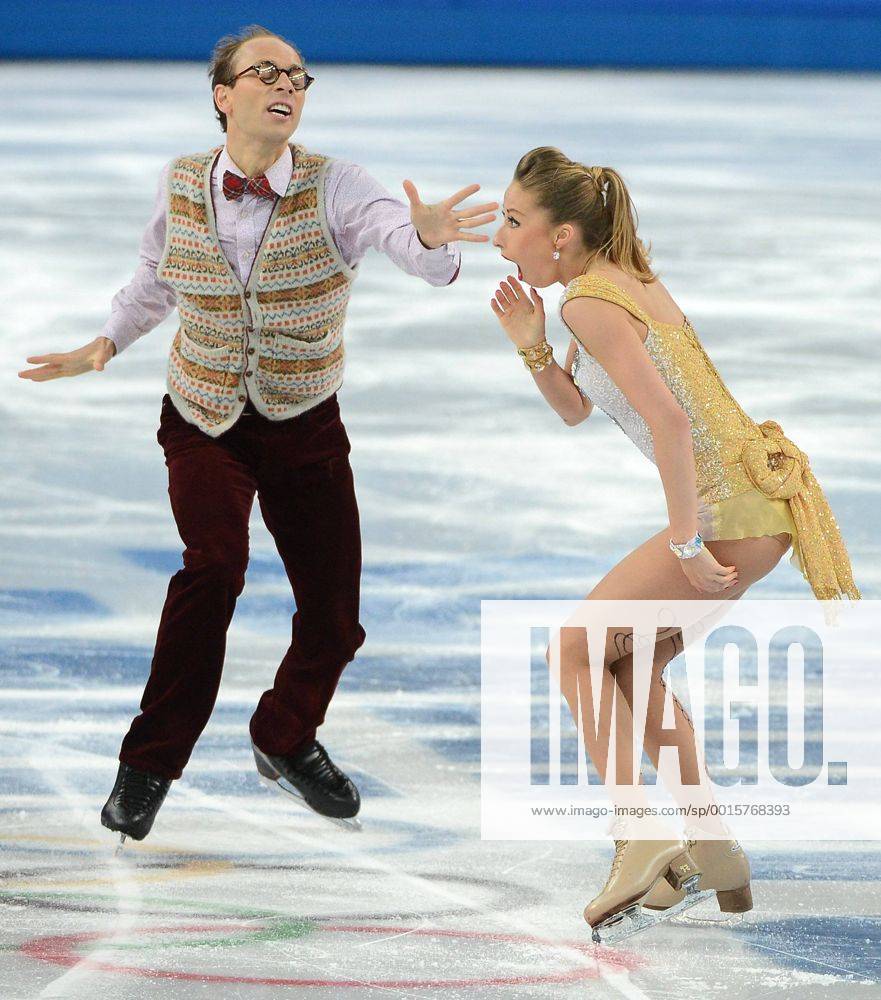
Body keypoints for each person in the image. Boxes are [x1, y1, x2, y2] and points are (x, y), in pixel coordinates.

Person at [18, 25, 497, 842]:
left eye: (298, 76)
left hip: (303, 418)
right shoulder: (179, 182)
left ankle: (283, 734)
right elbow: (155, 275)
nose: (287, 84)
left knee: (334, 618)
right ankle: (148, 767)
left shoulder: (340, 185)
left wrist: (427, 238)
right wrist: (104, 343)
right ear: (223, 94)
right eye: (266, 71)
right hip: (202, 415)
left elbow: (407, 246)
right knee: (214, 566)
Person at [489, 145, 860, 940]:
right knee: (626, 661)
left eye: (514, 221)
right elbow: (578, 408)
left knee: (574, 648)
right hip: (756, 509)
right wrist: (531, 344)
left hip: (731, 511)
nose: (499, 238)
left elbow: (670, 421)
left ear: (559, 236)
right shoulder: (616, 284)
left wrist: (687, 542)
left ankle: (642, 835)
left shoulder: (591, 301)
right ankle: (712, 848)